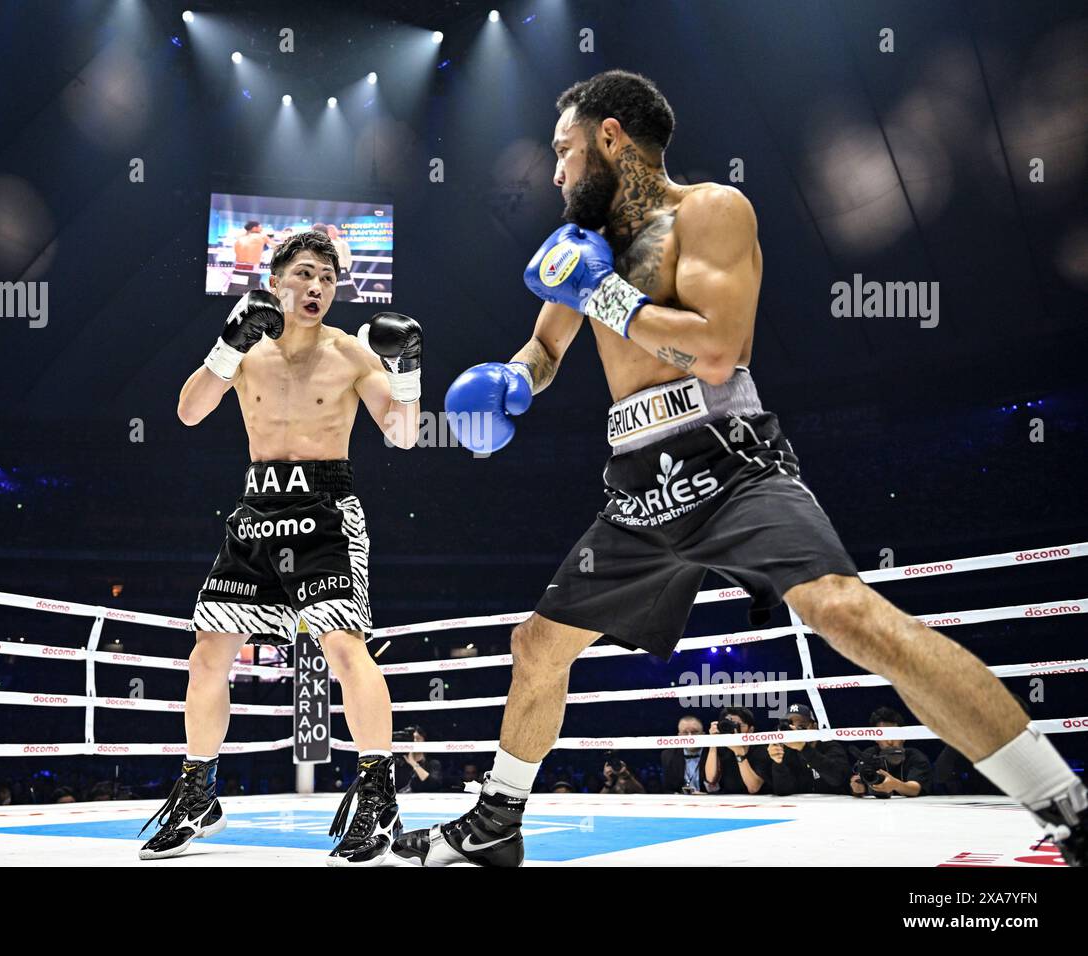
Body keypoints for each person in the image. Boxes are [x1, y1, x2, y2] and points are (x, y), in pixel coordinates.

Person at [398, 69, 1085, 867]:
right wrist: (512, 382)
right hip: (635, 487)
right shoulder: (579, 251)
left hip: (729, 463)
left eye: (564, 150)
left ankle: (1064, 802)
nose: (552, 172)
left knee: (845, 613)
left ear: (611, 138)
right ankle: (498, 819)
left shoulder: (712, 210)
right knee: (535, 647)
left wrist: (606, 295)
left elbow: (715, 350)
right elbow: (547, 347)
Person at [139, 229, 423, 866]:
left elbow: (403, 436)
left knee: (345, 647)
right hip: (257, 511)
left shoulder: (352, 354)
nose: (316, 285)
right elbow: (188, 412)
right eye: (303, 273)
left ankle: (378, 796)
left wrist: (408, 370)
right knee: (209, 652)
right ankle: (198, 792)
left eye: (327, 276)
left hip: (325, 512)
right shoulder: (245, 352)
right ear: (275, 283)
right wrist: (226, 345)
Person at [849, 707, 932, 798]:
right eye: (884, 735)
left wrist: (896, 785)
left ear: (904, 736)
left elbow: (916, 788)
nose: (889, 741)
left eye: (894, 734)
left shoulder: (915, 756)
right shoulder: (869, 755)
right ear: (876, 739)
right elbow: (860, 788)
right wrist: (857, 790)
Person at [767, 703, 849, 795]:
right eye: (791, 726)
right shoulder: (787, 752)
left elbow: (837, 779)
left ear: (814, 726)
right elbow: (783, 791)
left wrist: (804, 748)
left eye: (801, 726)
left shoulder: (830, 747)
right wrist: (778, 762)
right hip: (801, 807)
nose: (797, 731)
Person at [703, 707, 770, 796]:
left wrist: (739, 753)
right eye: (729, 724)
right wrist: (713, 742)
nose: (734, 729)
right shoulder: (722, 747)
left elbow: (753, 788)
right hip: (729, 800)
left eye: (739, 725)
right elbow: (710, 779)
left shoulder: (761, 750)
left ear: (750, 730)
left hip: (761, 801)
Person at [660, 714, 707, 793]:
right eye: (685, 733)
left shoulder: (714, 753)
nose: (690, 737)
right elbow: (668, 788)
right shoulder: (668, 755)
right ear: (679, 736)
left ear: (703, 734)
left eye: (694, 732)